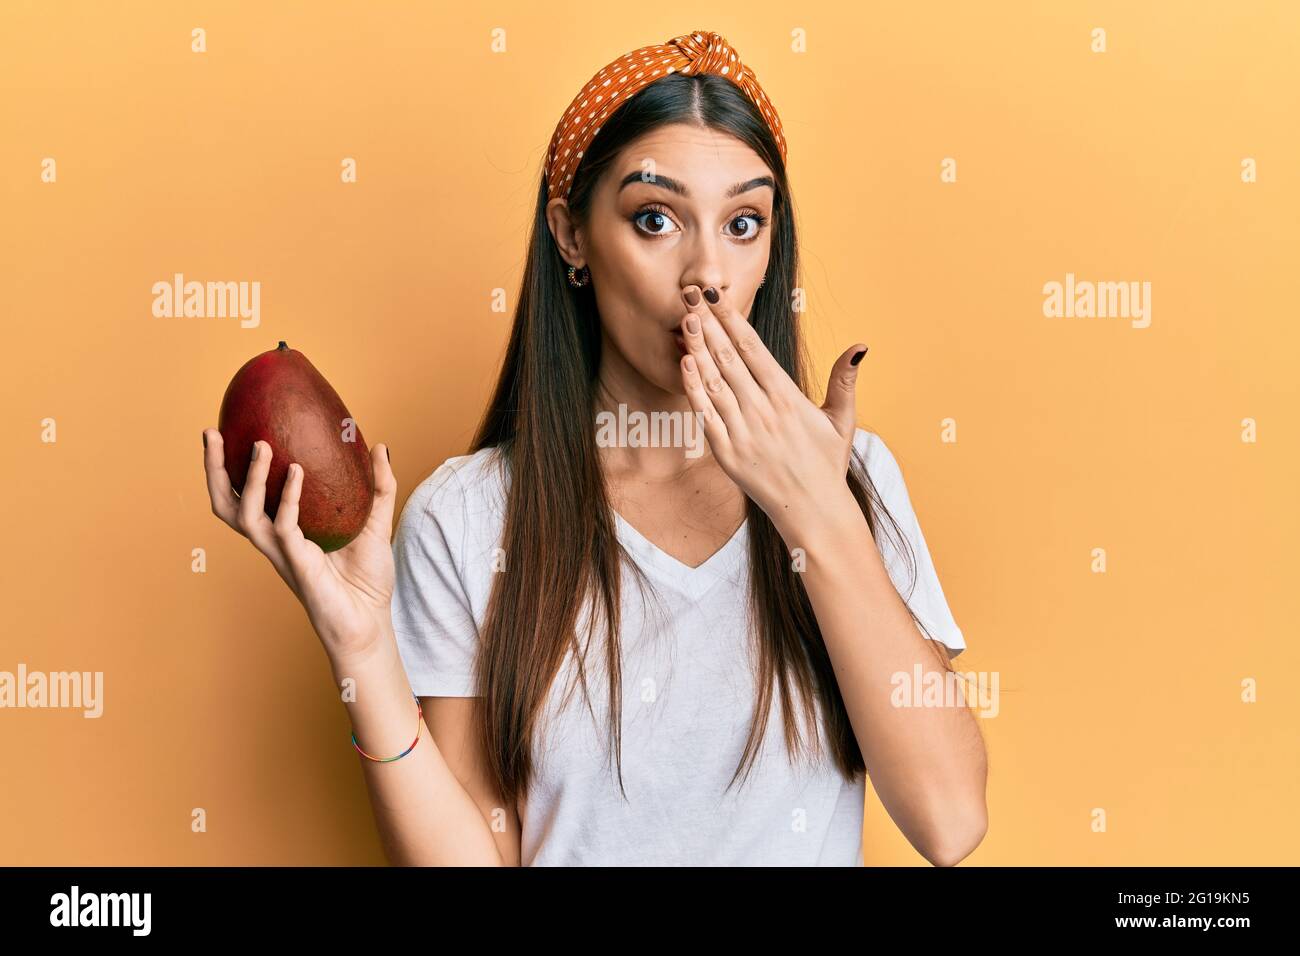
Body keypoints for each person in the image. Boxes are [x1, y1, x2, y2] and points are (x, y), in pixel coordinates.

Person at [202, 29, 987, 867]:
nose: (707, 274)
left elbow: (950, 822)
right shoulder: (464, 521)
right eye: (655, 219)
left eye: (744, 222)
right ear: (572, 237)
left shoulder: (852, 481)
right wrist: (362, 653)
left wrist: (820, 517)